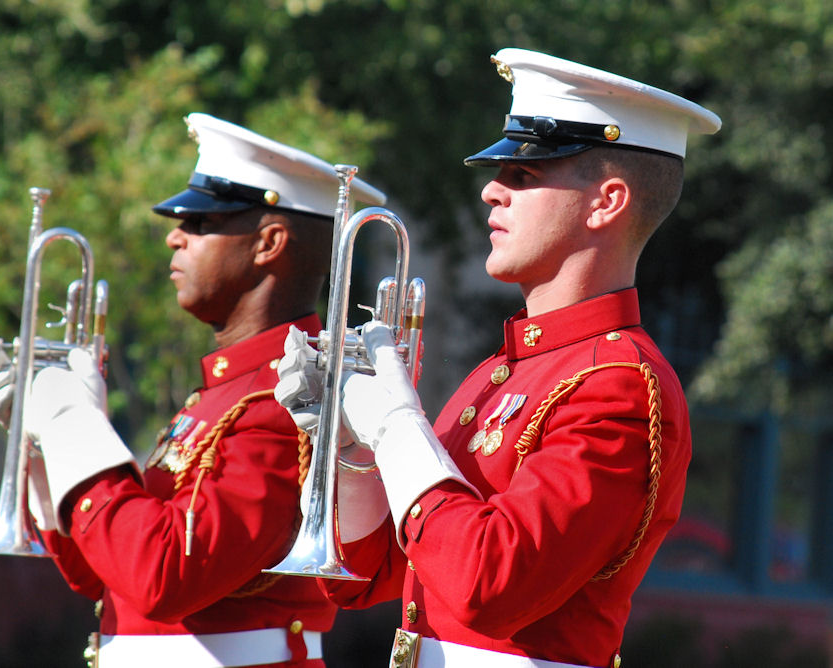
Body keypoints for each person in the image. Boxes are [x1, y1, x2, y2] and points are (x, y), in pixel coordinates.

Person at [276, 48, 721, 668]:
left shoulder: (618, 385)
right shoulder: (503, 371)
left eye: (524, 177)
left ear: (607, 202)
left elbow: (489, 584)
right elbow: (365, 574)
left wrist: (395, 427)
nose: (491, 191)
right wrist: (350, 448)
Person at [0, 112, 387, 667]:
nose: (174, 235)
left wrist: (71, 422)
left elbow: (165, 579)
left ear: (268, 242)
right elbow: (101, 574)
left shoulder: (287, 400)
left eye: (200, 224)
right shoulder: (223, 389)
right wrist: (48, 448)